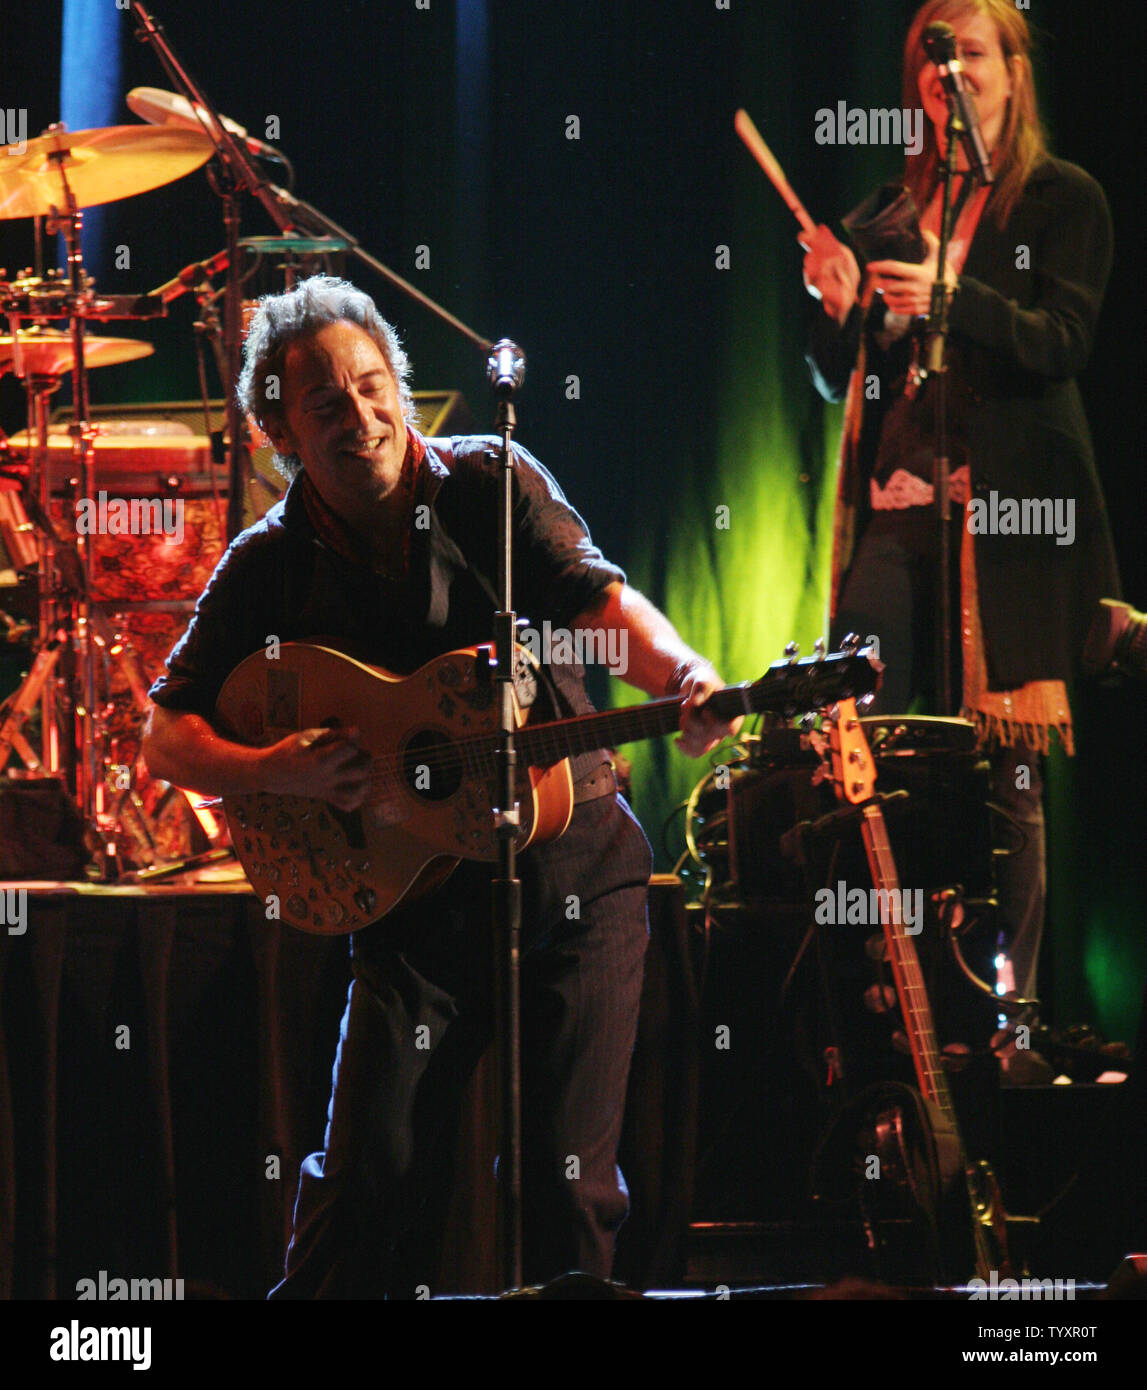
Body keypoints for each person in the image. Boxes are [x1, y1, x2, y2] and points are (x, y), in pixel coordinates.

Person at [141, 274, 740, 1296]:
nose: (360, 419)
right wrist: (271, 768)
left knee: (565, 1187)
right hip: (412, 903)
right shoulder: (269, 562)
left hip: (573, 877)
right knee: (364, 1178)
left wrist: (682, 675)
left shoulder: (486, 484)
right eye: (325, 405)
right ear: (279, 432)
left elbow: (597, 602)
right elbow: (166, 733)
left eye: (373, 388)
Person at [799, 0, 1119, 1024]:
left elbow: (1061, 340)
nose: (952, 74)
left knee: (1003, 768)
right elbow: (837, 378)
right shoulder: (893, 211)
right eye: (932, 61)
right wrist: (837, 313)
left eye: (971, 52)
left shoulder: (1060, 199)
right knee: (876, 740)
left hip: (1006, 517)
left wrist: (951, 294)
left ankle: (1003, 1016)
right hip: (899, 510)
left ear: (1013, 72)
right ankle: (894, 1000)